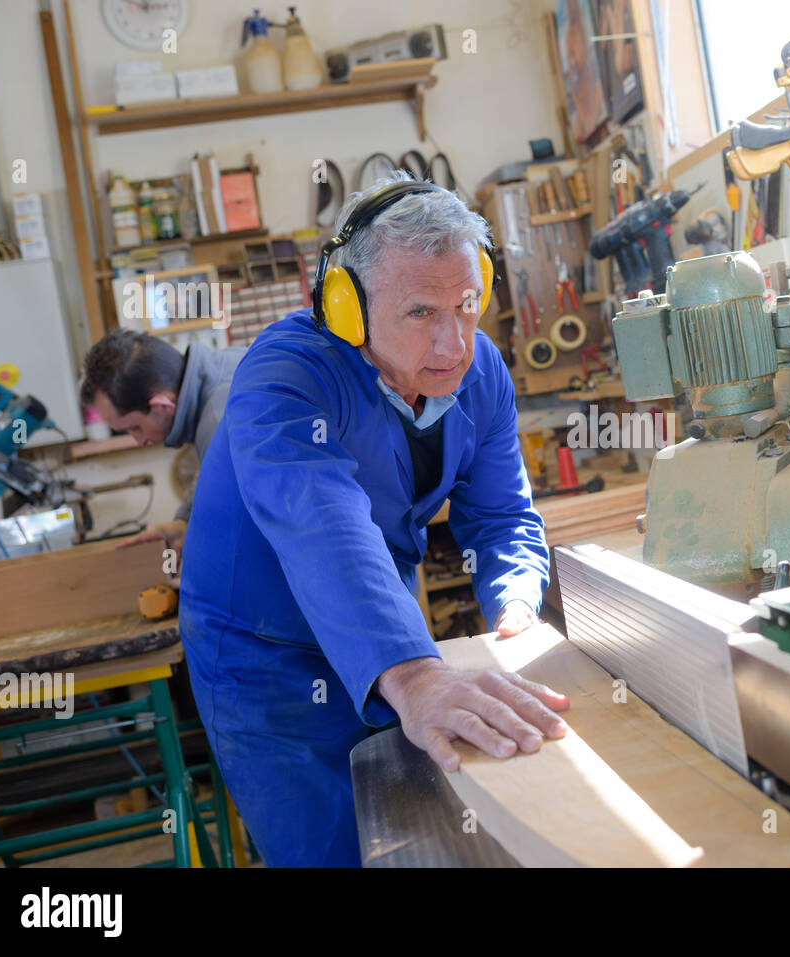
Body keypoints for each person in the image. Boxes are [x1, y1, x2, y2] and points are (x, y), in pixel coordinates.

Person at [178, 173, 568, 867]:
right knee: (328, 849)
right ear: (346, 306)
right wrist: (417, 677)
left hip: (382, 634)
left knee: (412, 835)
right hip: (264, 656)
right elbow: (323, 522)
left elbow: (503, 514)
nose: (454, 342)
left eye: (467, 305)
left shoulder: (481, 374)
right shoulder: (286, 375)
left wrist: (515, 608)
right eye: (422, 312)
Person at [79, 330, 244, 551]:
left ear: (162, 406)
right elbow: (215, 473)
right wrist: (183, 521)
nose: (139, 440)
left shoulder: (218, 423)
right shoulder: (224, 365)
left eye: (135, 427)